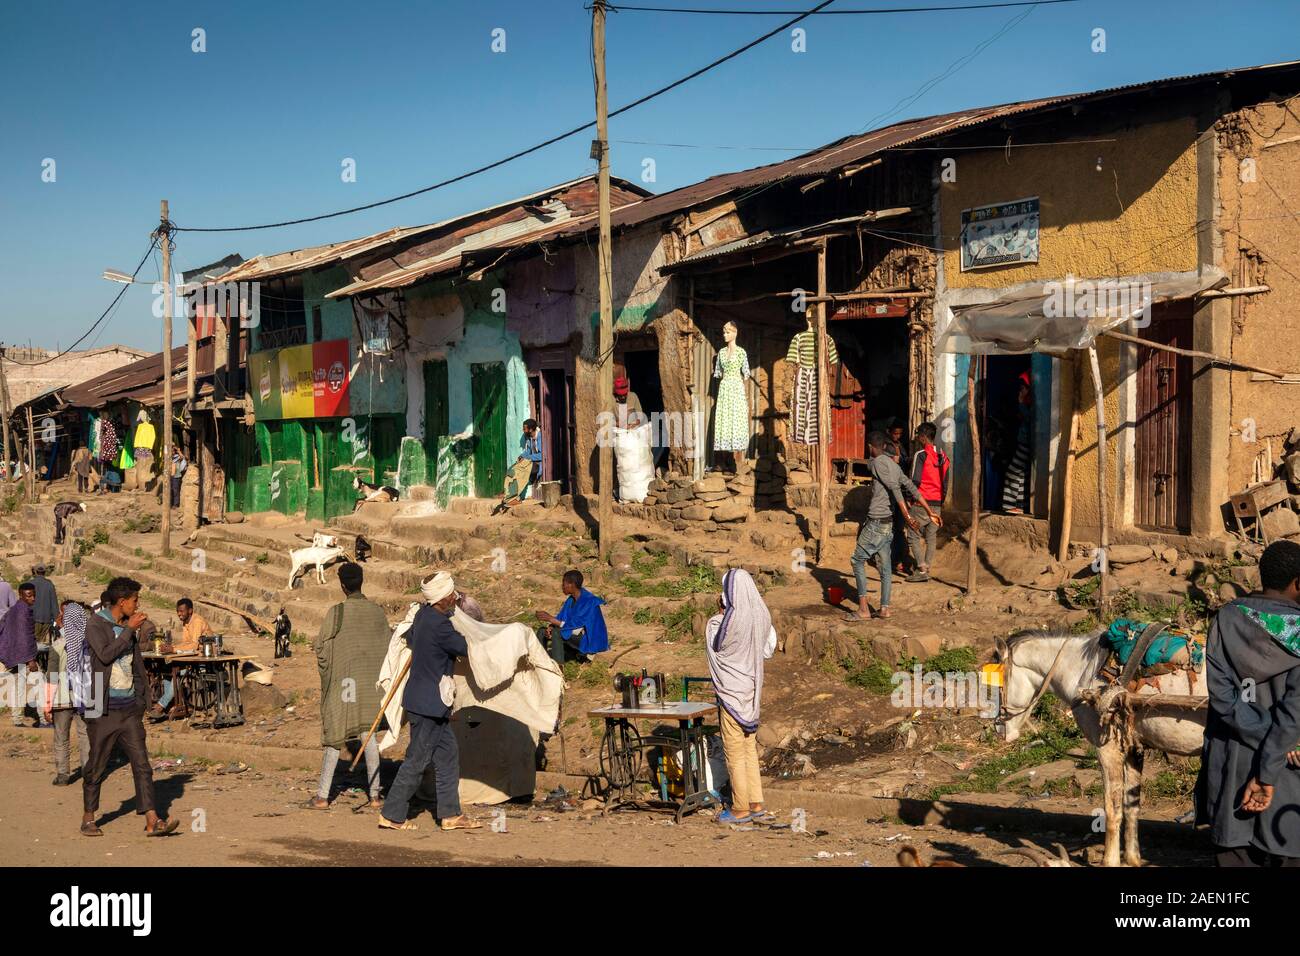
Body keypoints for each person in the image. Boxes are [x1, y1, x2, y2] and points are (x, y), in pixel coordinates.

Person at [1196, 540, 1300, 866]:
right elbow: (1294, 713)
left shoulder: (1226, 620)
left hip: (1231, 769)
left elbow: (1224, 700)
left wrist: (1261, 737)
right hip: (1288, 778)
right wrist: (1276, 753)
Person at [379, 571, 480, 832]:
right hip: (430, 704)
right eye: (451, 595)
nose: (454, 598)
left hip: (422, 700)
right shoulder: (440, 625)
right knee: (417, 759)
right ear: (443, 598)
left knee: (447, 755)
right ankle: (392, 814)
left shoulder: (423, 617)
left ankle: (450, 814)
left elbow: (412, 638)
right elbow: (465, 648)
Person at [81, 576, 178, 837]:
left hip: (129, 709)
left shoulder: (128, 627)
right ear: (122, 602)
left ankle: (152, 819)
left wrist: (142, 701)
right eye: (135, 600)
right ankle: (89, 817)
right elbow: (105, 654)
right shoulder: (96, 624)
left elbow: (136, 665)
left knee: (142, 764)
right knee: (97, 765)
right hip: (101, 708)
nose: (138, 605)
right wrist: (129, 631)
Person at [310, 562, 389, 811]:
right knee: (370, 738)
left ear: (342, 585)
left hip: (344, 685)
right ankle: (376, 796)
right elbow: (388, 648)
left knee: (335, 736)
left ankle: (323, 796)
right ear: (361, 582)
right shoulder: (378, 612)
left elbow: (321, 648)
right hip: (370, 687)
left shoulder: (337, 612)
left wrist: (333, 667)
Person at [706, 568, 778, 825]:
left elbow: (718, 642)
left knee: (734, 750)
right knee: (749, 747)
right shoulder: (760, 617)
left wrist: (722, 613)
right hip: (752, 691)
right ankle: (755, 801)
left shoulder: (722, 622)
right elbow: (768, 648)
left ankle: (739, 808)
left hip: (732, 695)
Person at [848, 432, 937, 622]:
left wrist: (907, 516)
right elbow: (911, 487)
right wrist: (930, 511)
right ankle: (884, 609)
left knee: (857, 560)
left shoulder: (879, 463)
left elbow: (897, 489)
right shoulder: (892, 465)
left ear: (870, 446)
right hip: (887, 523)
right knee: (886, 567)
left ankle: (863, 609)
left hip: (876, 522)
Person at [45, 600, 90, 786]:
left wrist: (47, 704)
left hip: (61, 699)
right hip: (84, 698)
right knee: (85, 736)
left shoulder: (57, 645)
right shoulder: (88, 644)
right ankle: (89, 773)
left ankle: (63, 774)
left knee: (61, 737)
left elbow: (51, 677)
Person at [904, 422, 950, 583]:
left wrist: (909, 498)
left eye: (918, 435)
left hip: (921, 502)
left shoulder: (921, 455)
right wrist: (940, 501)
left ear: (923, 437)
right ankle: (926, 567)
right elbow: (945, 483)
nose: (917, 438)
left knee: (913, 534)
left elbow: (914, 481)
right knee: (931, 537)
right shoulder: (943, 456)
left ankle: (922, 569)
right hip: (937, 503)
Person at [536, 569, 609, 664]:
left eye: (564, 584)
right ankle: (539, 661)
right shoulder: (571, 600)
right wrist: (551, 626)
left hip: (587, 639)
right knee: (542, 631)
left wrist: (551, 619)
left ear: (572, 585)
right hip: (573, 634)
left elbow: (576, 628)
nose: (562, 586)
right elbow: (562, 618)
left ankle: (559, 668)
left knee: (557, 632)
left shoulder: (588, 602)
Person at [0, 583, 39, 727]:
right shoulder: (22, 612)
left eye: (34, 595)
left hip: (12, 652)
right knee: (31, 684)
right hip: (21, 655)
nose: (33, 598)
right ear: (21, 595)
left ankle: (17, 718)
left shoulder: (15, 609)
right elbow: (24, 636)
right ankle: (41, 717)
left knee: (16, 686)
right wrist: (31, 659)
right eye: (29, 595)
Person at [1001, 370, 1032, 514]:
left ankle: (1009, 505)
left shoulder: (1030, 405)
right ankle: (1019, 506)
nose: (1021, 390)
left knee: (1012, 473)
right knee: (1020, 474)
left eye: (1023, 388)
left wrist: (1021, 403)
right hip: (1024, 443)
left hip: (1025, 444)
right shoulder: (1027, 404)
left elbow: (1029, 419)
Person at [27, 564, 58, 644]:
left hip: (33, 618)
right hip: (47, 619)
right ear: (45, 572)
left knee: (32, 643)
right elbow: (54, 604)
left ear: (35, 572)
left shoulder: (30, 584)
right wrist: (56, 620)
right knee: (43, 643)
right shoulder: (50, 585)